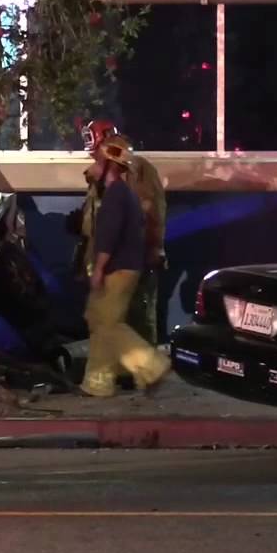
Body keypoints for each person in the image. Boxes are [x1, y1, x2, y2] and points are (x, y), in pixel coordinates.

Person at [79, 125, 170, 397]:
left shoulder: (127, 181)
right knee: (100, 320)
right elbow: (96, 224)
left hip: (123, 262)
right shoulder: (108, 184)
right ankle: (99, 381)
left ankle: (148, 367)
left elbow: (135, 220)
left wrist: (148, 251)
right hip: (115, 260)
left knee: (116, 321)